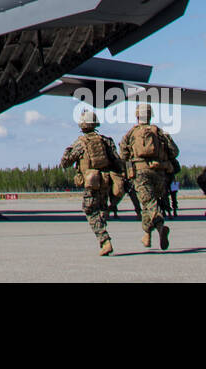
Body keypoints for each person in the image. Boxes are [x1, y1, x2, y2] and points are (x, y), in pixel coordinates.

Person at [60, 110, 125, 256]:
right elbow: (117, 161)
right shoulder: (106, 141)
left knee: (89, 210)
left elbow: (65, 162)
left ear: (82, 125)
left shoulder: (80, 143)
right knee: (102, 208)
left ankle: (104, 240)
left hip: (92, 181)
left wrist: (68, 152)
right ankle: (103, 229)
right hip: (106, 180)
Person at [118, 102, 178, 250]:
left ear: (137, 115)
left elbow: (123, 155)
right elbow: (174, 151)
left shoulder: (130, 134)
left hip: (141, 173)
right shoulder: (159, 132)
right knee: (148, 204)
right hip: (159, 173)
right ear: (150, 116)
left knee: (149, 203)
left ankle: (160, 227)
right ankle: (147, 235)